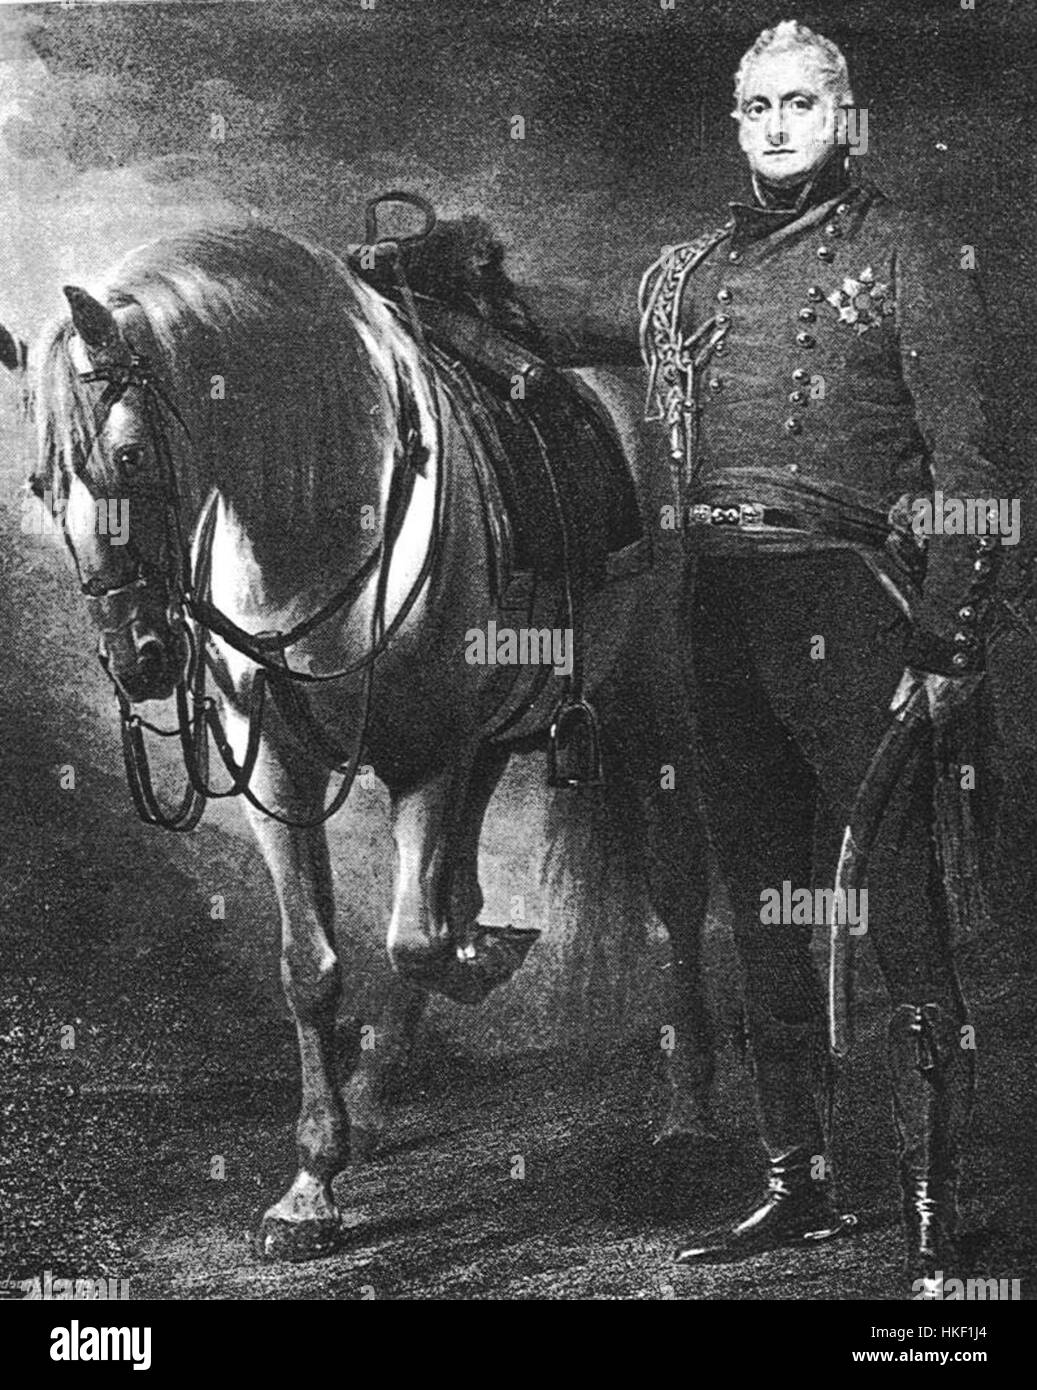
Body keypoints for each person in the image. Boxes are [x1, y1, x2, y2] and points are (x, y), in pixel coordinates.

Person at [638, 19, 1005, 1294]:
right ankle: (794, 1181)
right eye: (756, 108)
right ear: (737, 124)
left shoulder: (905, 254)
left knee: (898, 910)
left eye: (802, 104)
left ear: (842, 118)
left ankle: (931, 1205)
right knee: (760, 908)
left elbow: (967, 473)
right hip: (720, 611)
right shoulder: (689, 275)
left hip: (849, 610)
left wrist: (946, 637)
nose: (778, 126)